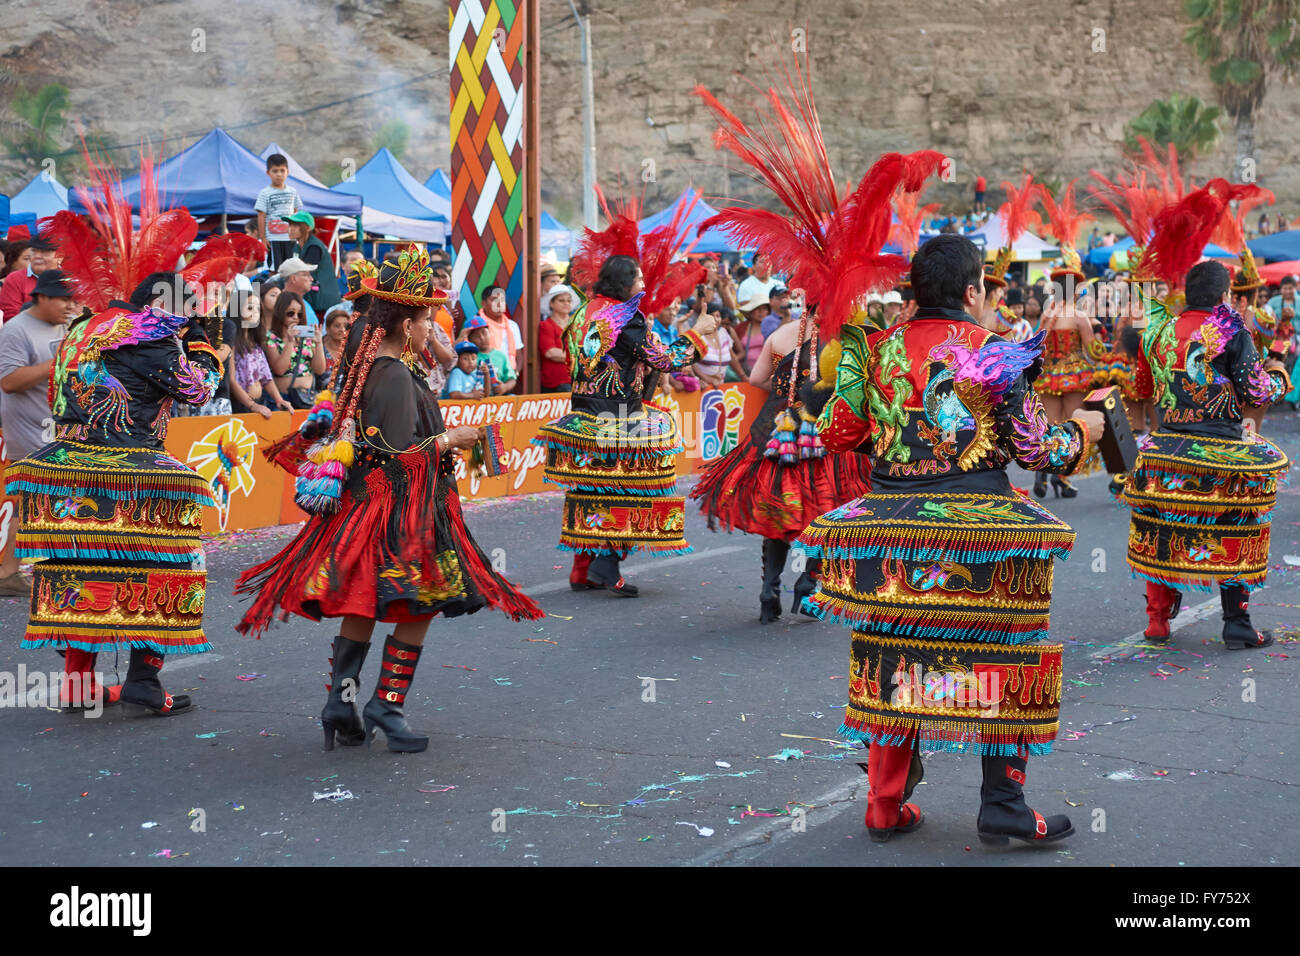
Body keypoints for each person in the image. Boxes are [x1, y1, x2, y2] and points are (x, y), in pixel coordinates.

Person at [800, 233, 1102, 844]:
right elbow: (1036, 448)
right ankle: (1003, 803)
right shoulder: (991, 351)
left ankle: (884, 804)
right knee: (1006, 650)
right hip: (978, 533)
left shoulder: (880, 350)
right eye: (986, 289)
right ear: (972, 291)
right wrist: (1085, 430)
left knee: (889, 643)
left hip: (889, 530)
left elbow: (838, 431)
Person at [235, 246, 543, 752]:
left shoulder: (376, 368)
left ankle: (341, 701)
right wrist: (451, 441)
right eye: (426, 320)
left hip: (371, 510)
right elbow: (395, 456)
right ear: (404, 324)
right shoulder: (396, 375)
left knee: (366, 601)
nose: (432, 330)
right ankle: (386, 704)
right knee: (419, 604)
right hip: (402, 512)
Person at [1124, 259, 1290, 648]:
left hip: (1166, 451)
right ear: (1224, 296)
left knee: (1158, 526)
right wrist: (1280, 374)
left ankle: (1157, 623)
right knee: (1241, 525)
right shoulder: (1231, 329)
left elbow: (1143, 386)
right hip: (1221, 453)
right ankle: (1237, 623)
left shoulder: (1158, 330)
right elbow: (1256, 392)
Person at [535, 252, 715, 597]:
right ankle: (606, 565)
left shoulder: (581, 313)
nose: (644, 284)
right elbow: (665, 359)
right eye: (639, 279)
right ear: (624, 283)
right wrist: (698, 334)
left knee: (592, 489)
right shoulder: (625, 317)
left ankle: (583, 570)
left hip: (582, 417)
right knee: (630, 490)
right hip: (618, 420)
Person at [0, 269, 78, 595]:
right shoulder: (16, 330)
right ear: (42, 297)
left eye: (73, 299)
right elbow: (9, 381)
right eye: (63, 299)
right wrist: (60, 360)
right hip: (30, 430)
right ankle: (44, 571)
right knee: (45, 499)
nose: (70, 305)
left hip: (57, 427)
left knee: (34, 502)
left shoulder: (65, 325)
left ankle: (10, 574)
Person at [229, 288, 292, 417]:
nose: (256, 312)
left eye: (258, 309)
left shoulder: (255, 342)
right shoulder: (232, 341)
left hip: (260, 403)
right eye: (250, 308)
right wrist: (252, 405)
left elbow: (266, 377)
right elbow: (231, 380)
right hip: (240, 406)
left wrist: (279, 400)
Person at [265, 290, 326, 408]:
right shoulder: (271, 337)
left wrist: (318, 344)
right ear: (280, 312)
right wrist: (290, 342)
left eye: (300, 314)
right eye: (290, 313)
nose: (295, 318)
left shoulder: (306, 337)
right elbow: (279, 370)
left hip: (307, 398)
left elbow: (319, 370)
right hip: (283, 398)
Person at [285, 211, 342, 317]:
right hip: (312, 299)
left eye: (296, 225)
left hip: (322, 302)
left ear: (307, 228)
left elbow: (302, 272)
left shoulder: (314, 247)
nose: (290, 228)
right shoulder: (297, 247)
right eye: (290, 225)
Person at [255, 153, 303, 269]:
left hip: (290, 238)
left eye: (282, 170)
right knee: (274, 268)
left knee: (291, 268)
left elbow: (296, 213)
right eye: (275, 171)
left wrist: (298, 234)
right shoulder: (265, 192)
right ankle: (274, 287)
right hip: (273, 238)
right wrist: (263, 237)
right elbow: (261, 215)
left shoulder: (293, 192)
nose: (279, 174)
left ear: (287, 172)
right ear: (268, 173)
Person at [0, 233, 58, 320]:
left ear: (60, 257)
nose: (37, 256)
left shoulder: (70, 280)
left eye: (44, 252)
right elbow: (11, 316)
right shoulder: (15, 279)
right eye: (34, 251)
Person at [471, 285, 524, 376]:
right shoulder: (475, 324)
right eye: (494, 300)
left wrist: (514, 375)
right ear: (483, 303)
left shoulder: (512, 325)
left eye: (502, 300)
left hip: (507, 378)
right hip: (481, 377)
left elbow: (519, 356)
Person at [463, 315, 516, 395]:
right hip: (476, 400)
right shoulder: (468, 357)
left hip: (499, 399)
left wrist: (505, 387)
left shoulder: (500, 356)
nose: (482, 338)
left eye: (484, 333)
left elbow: (512, 379)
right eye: (476, 336)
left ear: (490, 333)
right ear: (470, 340)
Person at [538, 283, 576, 393]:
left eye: (569, 301)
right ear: (551, 303)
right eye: (561, 300)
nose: (566, 303)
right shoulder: (546, 325)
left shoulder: (577, 325)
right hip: (556, 381)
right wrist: (576, 357)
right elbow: (550, 352)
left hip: (577, 380)